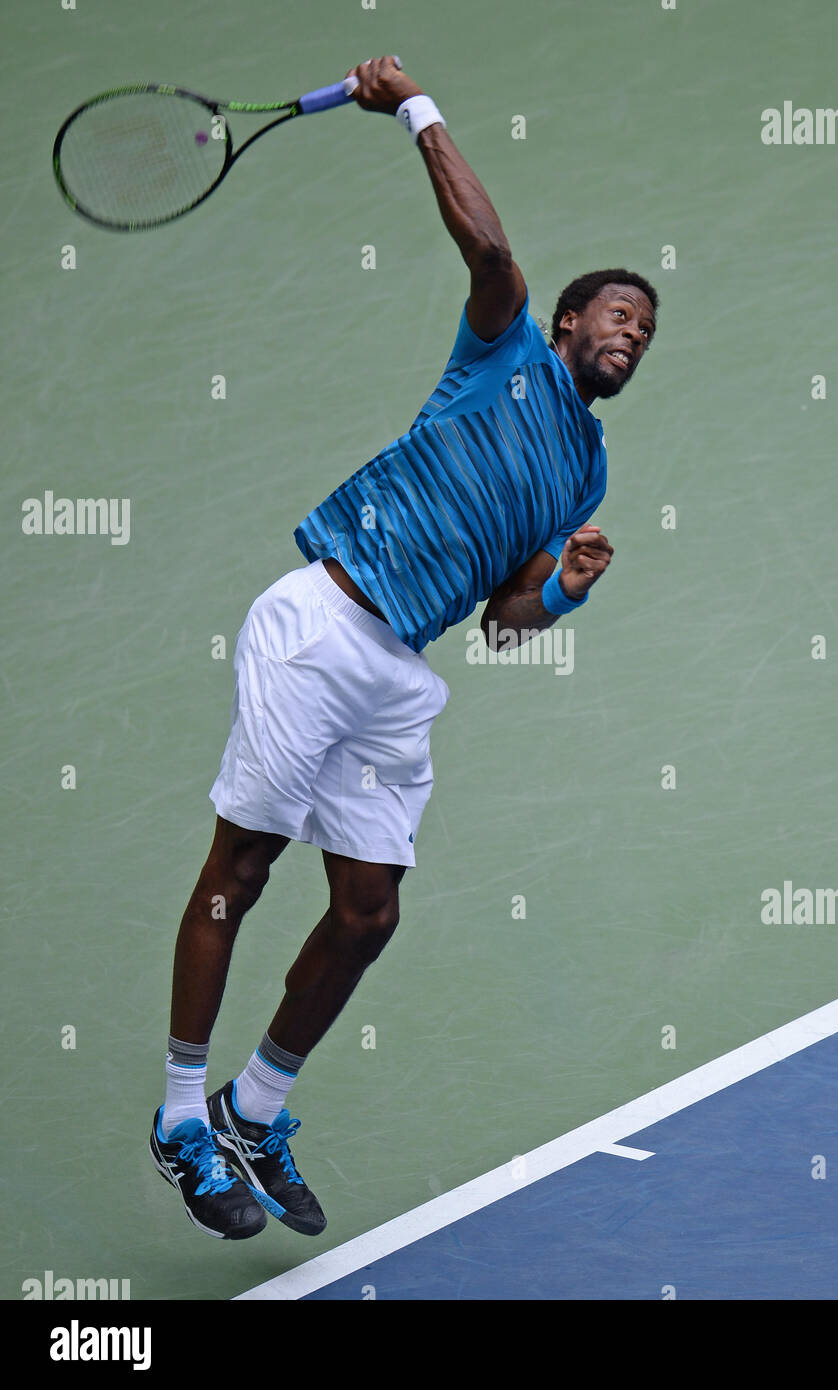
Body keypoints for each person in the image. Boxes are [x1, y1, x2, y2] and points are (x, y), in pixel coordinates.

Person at [149, 56, 659, 1240]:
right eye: (617, 314)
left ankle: (255, 1106)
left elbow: (504, 618)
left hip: (395, 673)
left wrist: (566, 594)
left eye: (648, 328)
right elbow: (489, 254)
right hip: (321, 622)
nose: (632, 333)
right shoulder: (502, 348)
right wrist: (415, 110)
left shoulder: (584, 470)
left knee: (370, 913)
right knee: (241, 871)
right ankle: (180, 1117)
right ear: (569, 322)